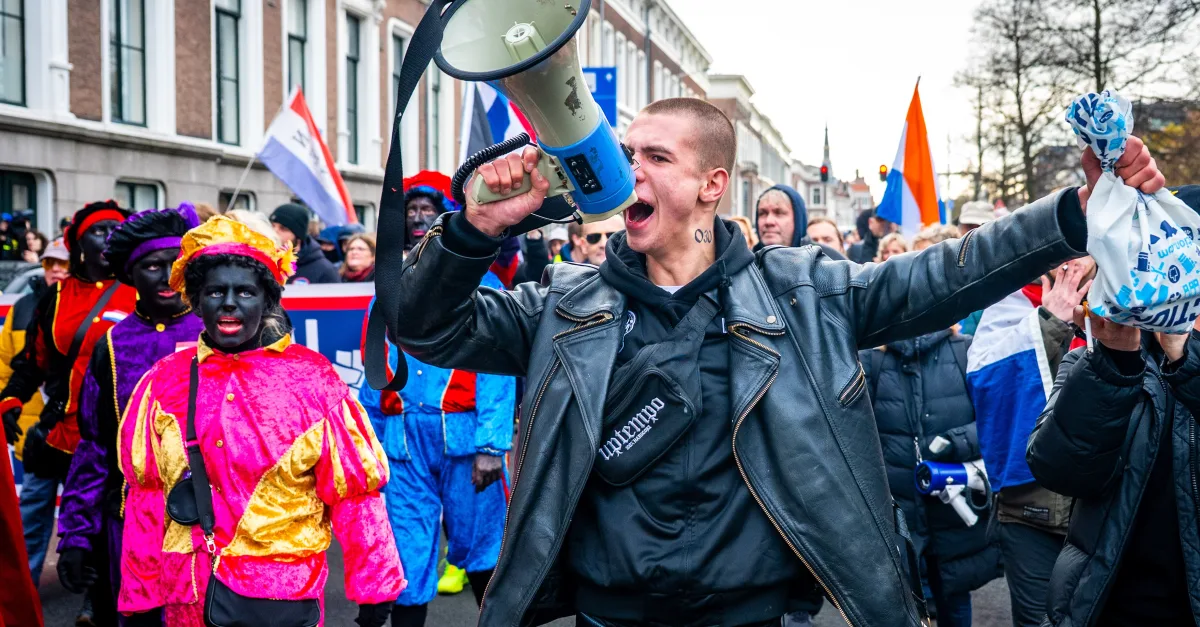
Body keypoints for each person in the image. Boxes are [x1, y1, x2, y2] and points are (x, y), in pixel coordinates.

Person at [379, 96, 1165, 626]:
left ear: (713, 184)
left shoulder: (802, 291)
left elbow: (945, 275)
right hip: (606, 612)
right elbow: (423, 327)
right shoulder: (565, 301)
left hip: (751, 614)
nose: (629, 171)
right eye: (624, 155)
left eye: (655, 155)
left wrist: (1076, 211)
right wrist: (471, 232)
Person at [117, 215, 403, 627]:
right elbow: (145, 499)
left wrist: (376, 588)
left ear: (267, 301)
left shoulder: (313, 381)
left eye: (245, 291)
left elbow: (356, 496)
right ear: (197, 301)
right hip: (190, 598)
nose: (229, 302)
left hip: (282, 600)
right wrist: (141, 597)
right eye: (215, 291)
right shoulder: (162, 382)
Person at [55, 204, 207, 625]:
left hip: (210, 523)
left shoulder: (215, 333)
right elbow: (94, 447)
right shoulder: (111, 345)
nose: (165, 276)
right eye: (152, 266)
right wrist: (76, 534)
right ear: (131, 275)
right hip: (128, 522)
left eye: (175, 264)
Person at [1026, 283, 1200, 623]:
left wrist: (1188, 361)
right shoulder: (1097, 359)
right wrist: (1115, 362)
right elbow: (1057, 469)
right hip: (1109, 607)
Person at [0, 201, 136, 595]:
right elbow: (33, 362)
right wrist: (11, 401)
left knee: (105, 528)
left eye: (115, 229)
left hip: (114, 440)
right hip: (58, 431)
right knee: (31, 524)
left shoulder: (142, 291)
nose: (107, 237)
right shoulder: (55, 297)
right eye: (97, 230)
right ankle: (16, 600)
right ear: (78, 243)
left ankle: (99, 604)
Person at [359, 288, 515, 627]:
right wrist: (369, 445)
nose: (421, 230)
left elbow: (495, 365)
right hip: (401, 444)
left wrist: (490, 446)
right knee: (406, 555)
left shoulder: (482, 285)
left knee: (483, 547)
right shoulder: (383, 296)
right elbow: (373, 371)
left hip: (467, 440)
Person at [967, 256, 1098, 627]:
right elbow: (985, 382)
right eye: (1062, 242)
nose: (1070, 257)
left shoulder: (1128, 290)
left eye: (1082, 242)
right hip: (1030, 509)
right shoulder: (1010, 299)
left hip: (1104, 505)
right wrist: (1051, 319)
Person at [861, 328, 1001, 627]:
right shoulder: (872, 359)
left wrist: (955, 441)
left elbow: (994, 421)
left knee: (954, 596)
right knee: (899, 602)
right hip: (895, 504)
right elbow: (855, 431)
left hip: (952, 501)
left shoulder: (966, 351)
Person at [0, 239, 69, 454]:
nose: (55, 269)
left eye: (63, 263)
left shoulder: (87, 309)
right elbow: (5, 366)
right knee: (33, 488)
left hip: (73, 436)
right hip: (30, 434)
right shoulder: (22, 307)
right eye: (49, 262)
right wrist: (7, 406)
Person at [269, 203, 341, 284]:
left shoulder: (325, 271)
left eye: (283, 229)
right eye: (272, 226)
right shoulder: (263, 263)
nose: (274, 232)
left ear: (298, 236)